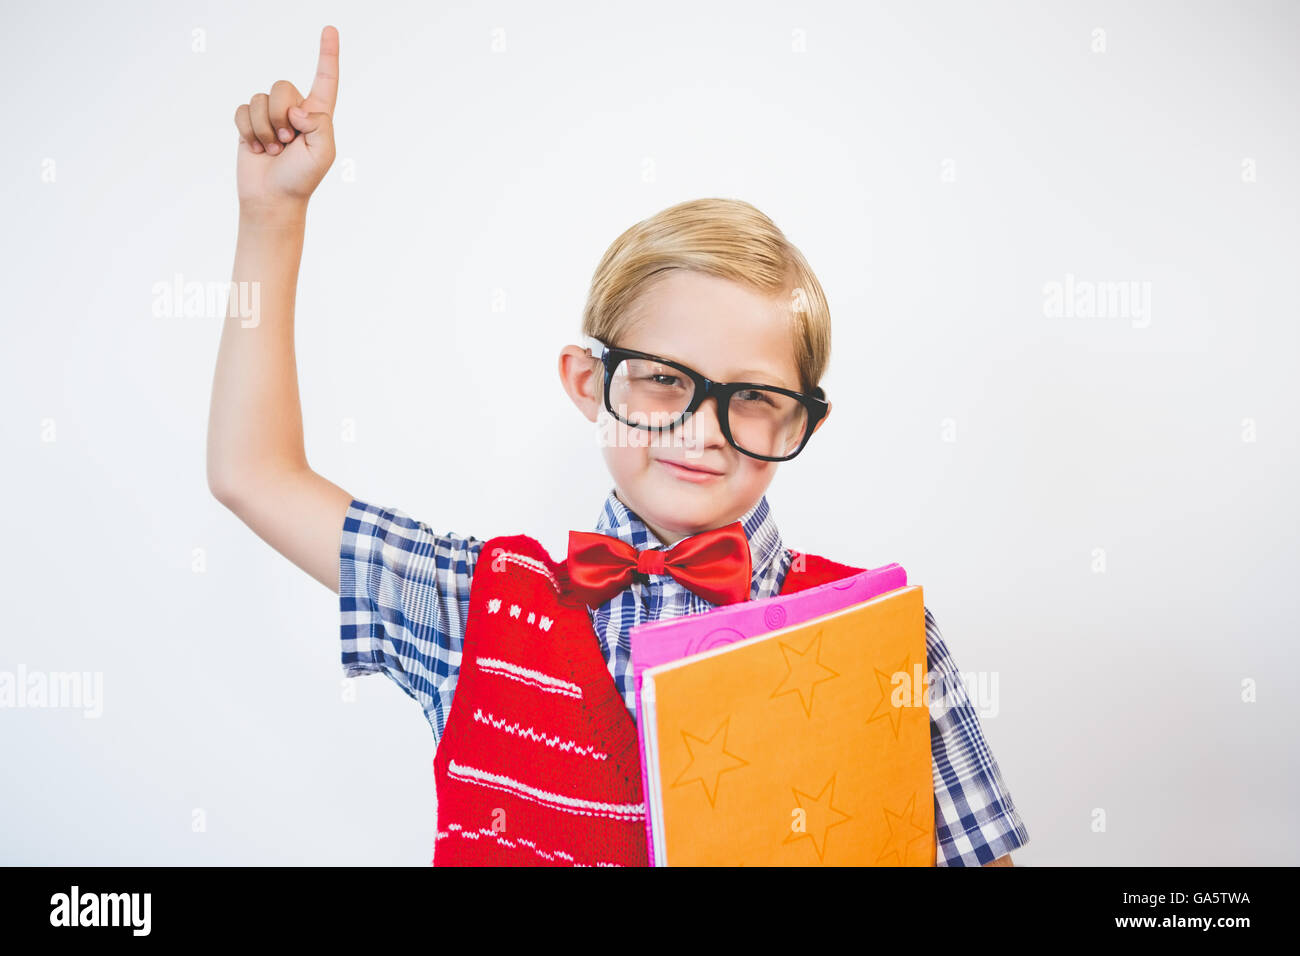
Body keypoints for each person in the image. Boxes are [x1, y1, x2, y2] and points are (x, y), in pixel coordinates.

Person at [208, 24, 1029, 868]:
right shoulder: (476, 601)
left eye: (751, 398)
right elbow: (253, 473)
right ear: (587, 382)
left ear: (800, 423)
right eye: (664, 379)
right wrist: (272, 218)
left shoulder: (881, 635)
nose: (701, 431)